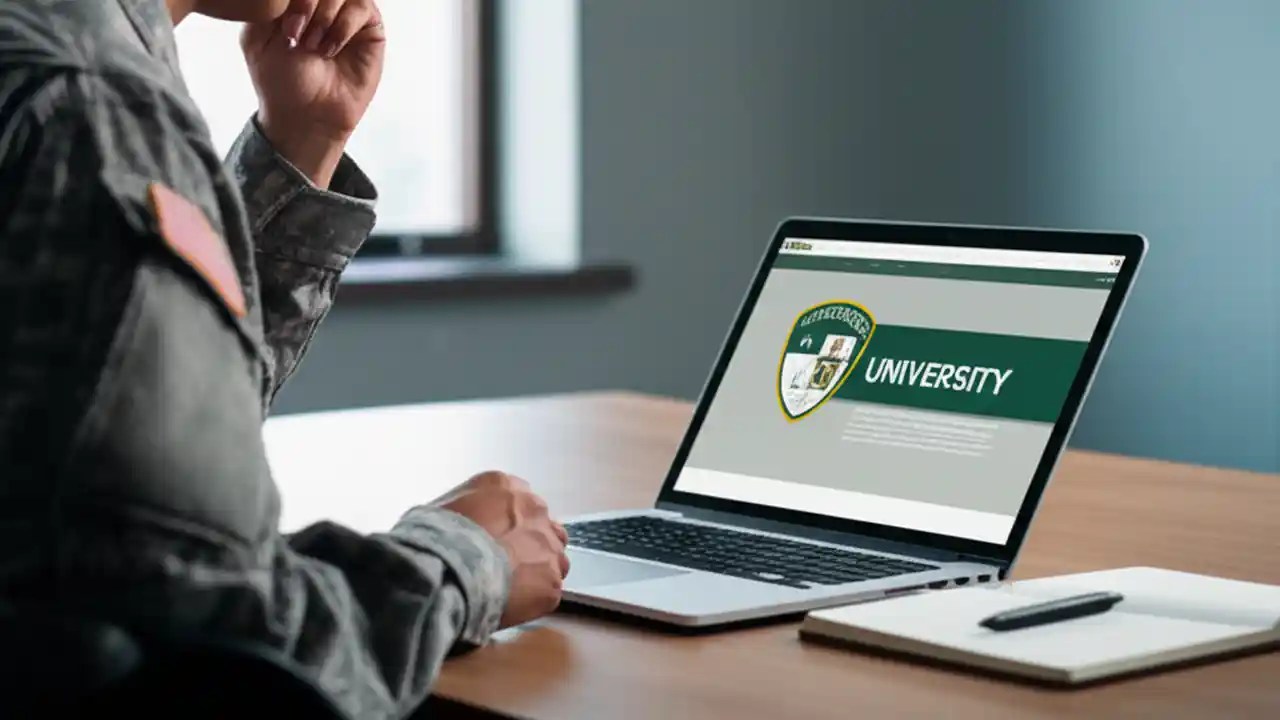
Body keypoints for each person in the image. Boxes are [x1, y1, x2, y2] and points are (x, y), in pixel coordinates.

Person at [0, 1, 569, 717]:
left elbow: (91, 438)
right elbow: (225, 651)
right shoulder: (91, 112)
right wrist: (467, 561)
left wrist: (302, 144)